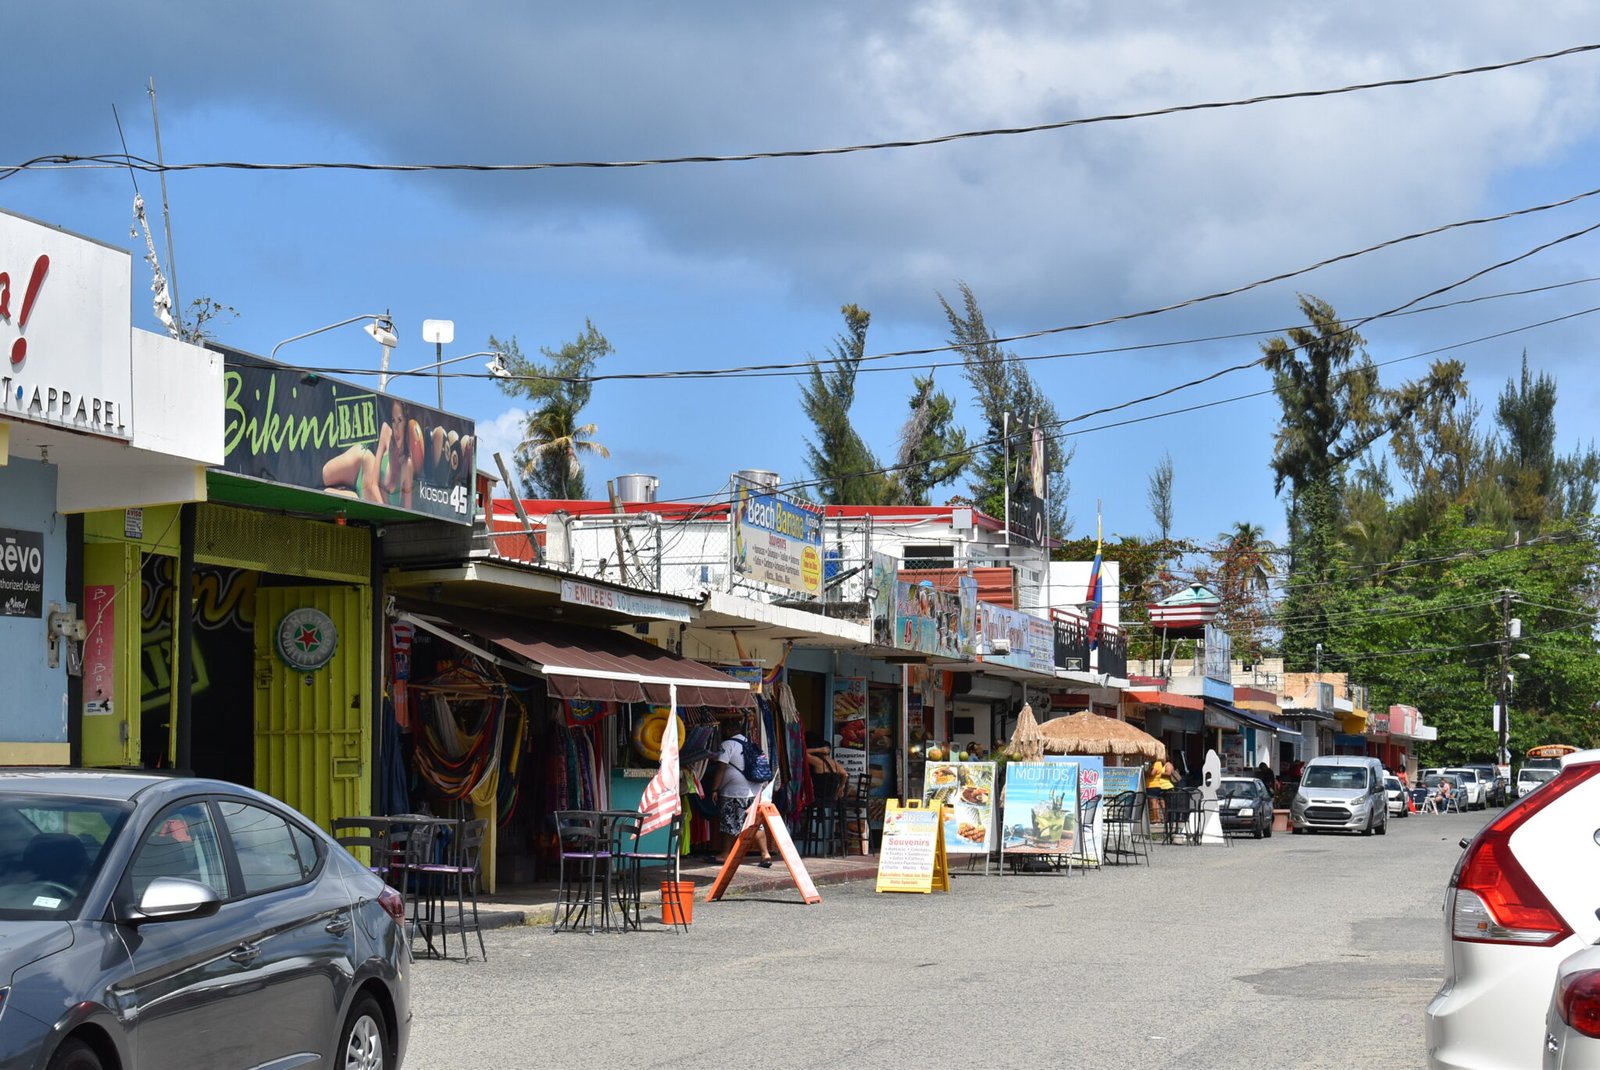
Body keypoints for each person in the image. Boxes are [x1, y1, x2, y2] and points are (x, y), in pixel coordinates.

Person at [710, 718, 772, 867]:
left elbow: (721, 768)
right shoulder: (750, 744)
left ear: (727, 730)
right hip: (754, 791)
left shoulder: (727, 745)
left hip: (733, 792)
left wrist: (714, 788)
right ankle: (765, 854)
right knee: (755, 823)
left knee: (728, 822)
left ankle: (725, 854)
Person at [805, 732, 846, 802]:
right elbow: (845, 774)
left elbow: (803, 753)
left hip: (817, 795)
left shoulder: (818, 761)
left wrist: (818, 749)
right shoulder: (835, 764)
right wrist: (841, 787)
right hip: (831, 797)